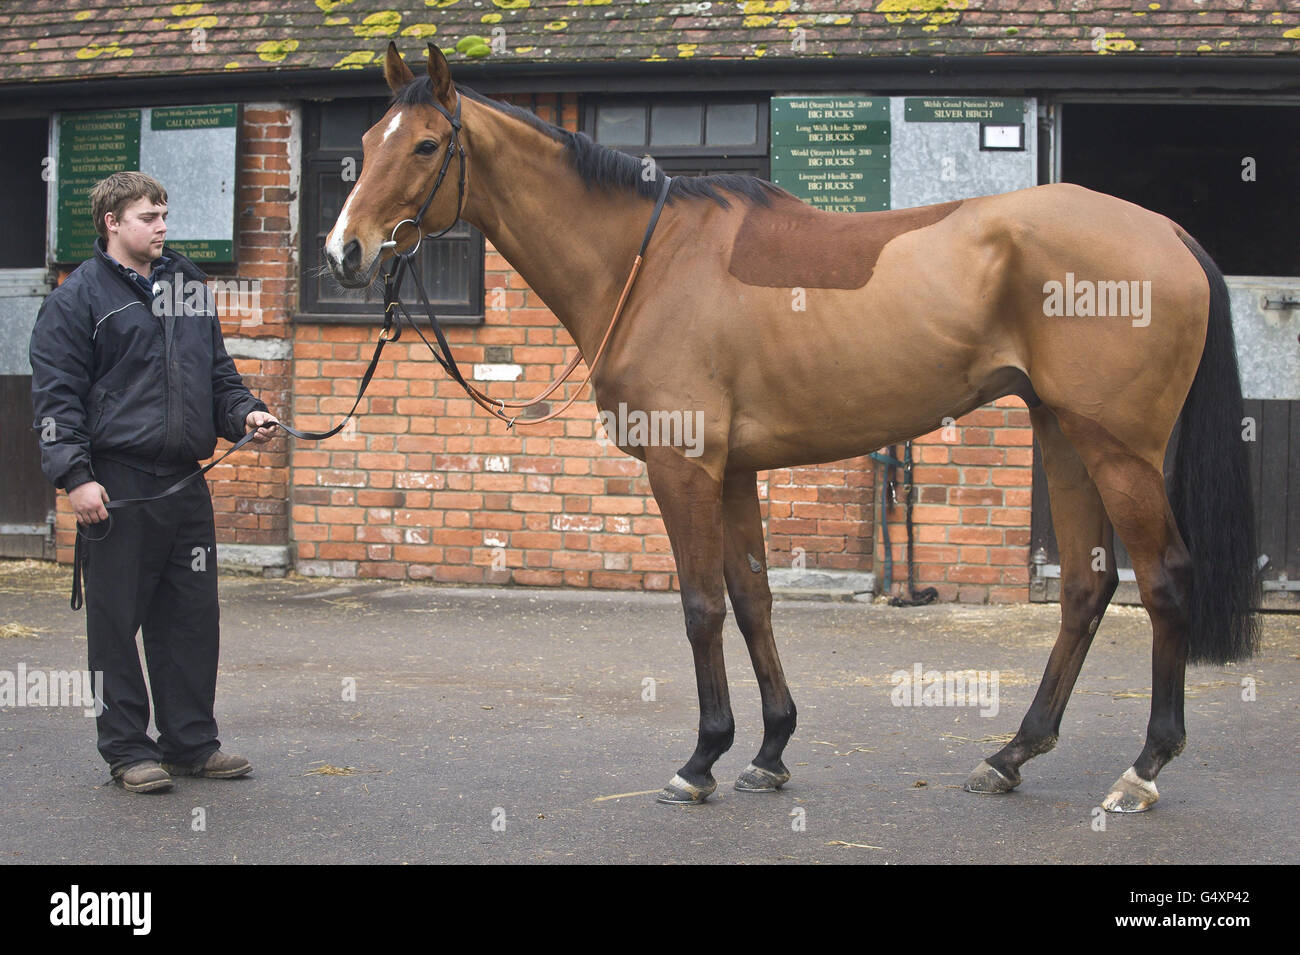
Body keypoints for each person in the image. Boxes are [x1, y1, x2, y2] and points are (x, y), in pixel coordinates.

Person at [29, 171, 278, 793]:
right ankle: (126, 751)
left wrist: (243, 411)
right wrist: (76, 478)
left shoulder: (187, 286)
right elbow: (56, 400)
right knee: (116, 624)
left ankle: (192, 743)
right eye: (148, 216)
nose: (161, 226)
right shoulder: (76, 299)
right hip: (118, 486)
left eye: (164, 214)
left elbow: (216, 373)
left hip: (184, 485)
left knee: (191, 620)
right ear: (112, 223)